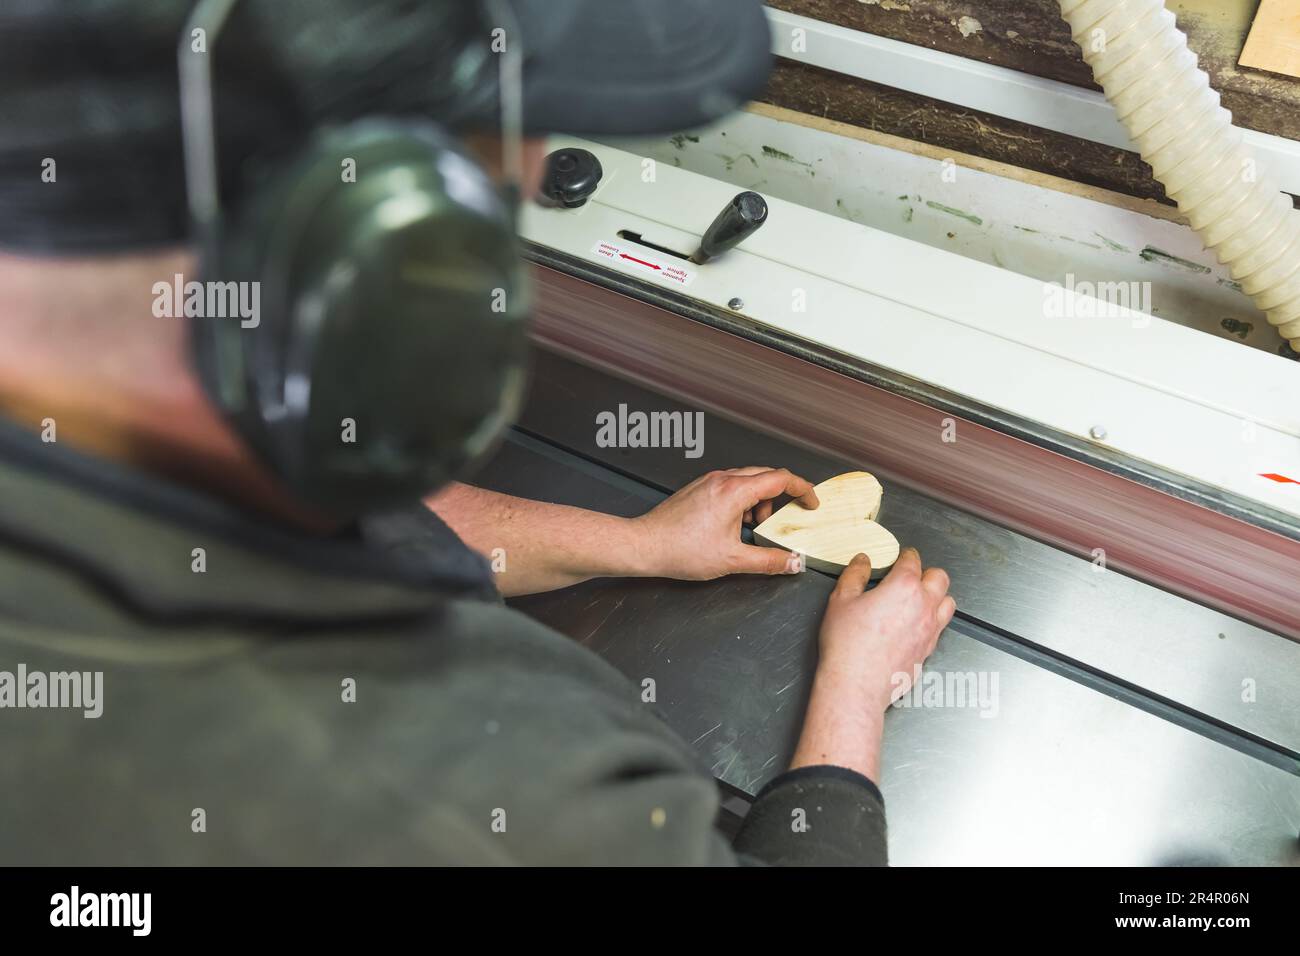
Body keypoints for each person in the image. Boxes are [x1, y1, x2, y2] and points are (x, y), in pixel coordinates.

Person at [0, 0, 953, 865]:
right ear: (355, 253)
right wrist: (855, 693)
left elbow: (377, 515)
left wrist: (635, 544)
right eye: (487, 206)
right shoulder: (466, 797)